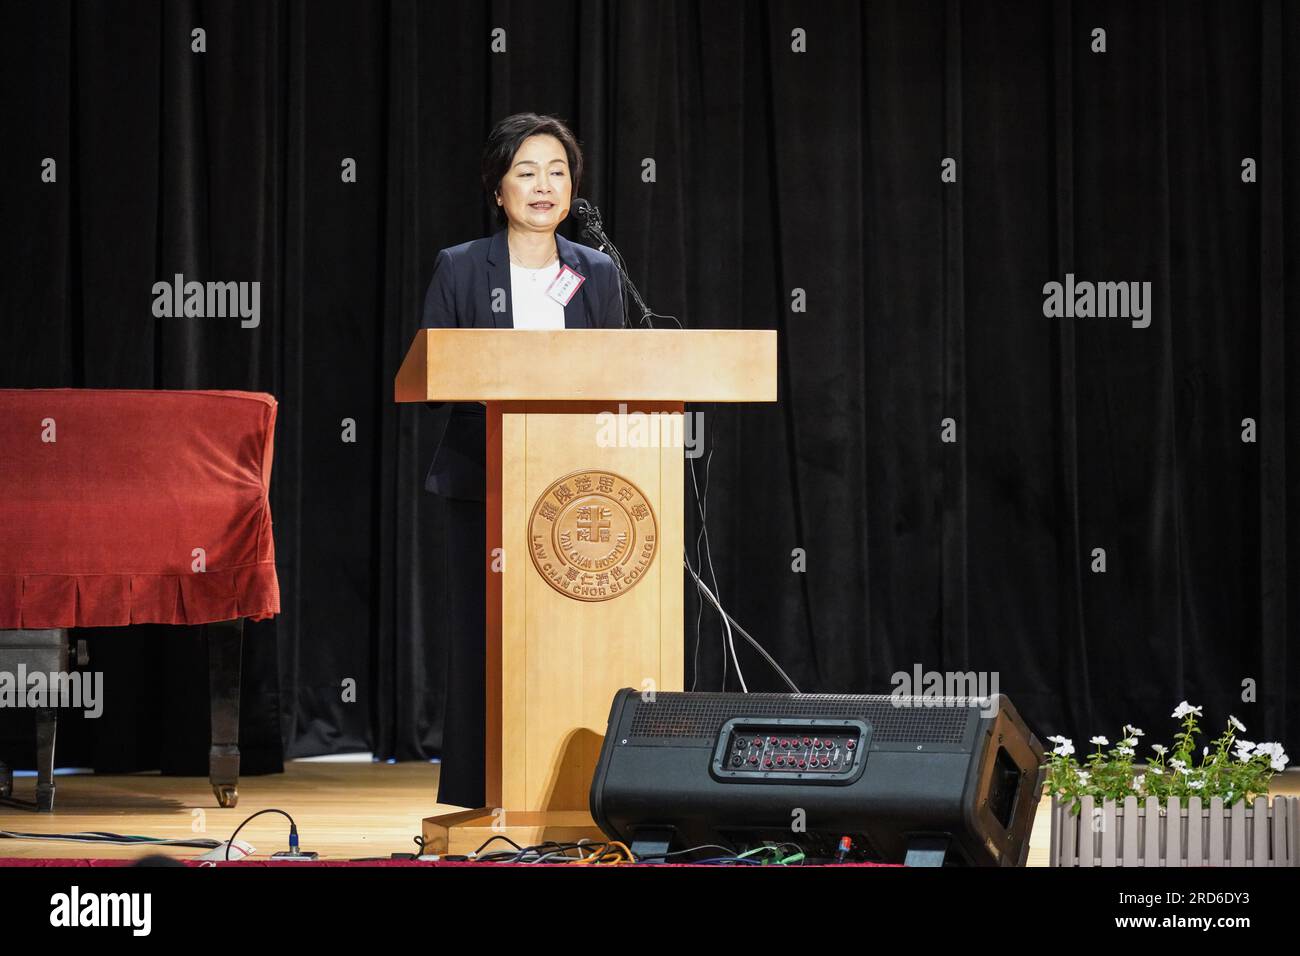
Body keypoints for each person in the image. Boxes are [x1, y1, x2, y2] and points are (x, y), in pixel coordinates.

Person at [421, 113, 625, 808]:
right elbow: (433, 373)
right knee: (486, 641)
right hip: (484, 483)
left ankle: (579, 789)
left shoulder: (596, 270)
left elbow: (617, 379)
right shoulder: (460, 265)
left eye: (558, 171)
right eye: (527, 171)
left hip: (576, 492)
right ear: (498, 188)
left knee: (573, 638)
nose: (545, 185)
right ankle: (485, 791)